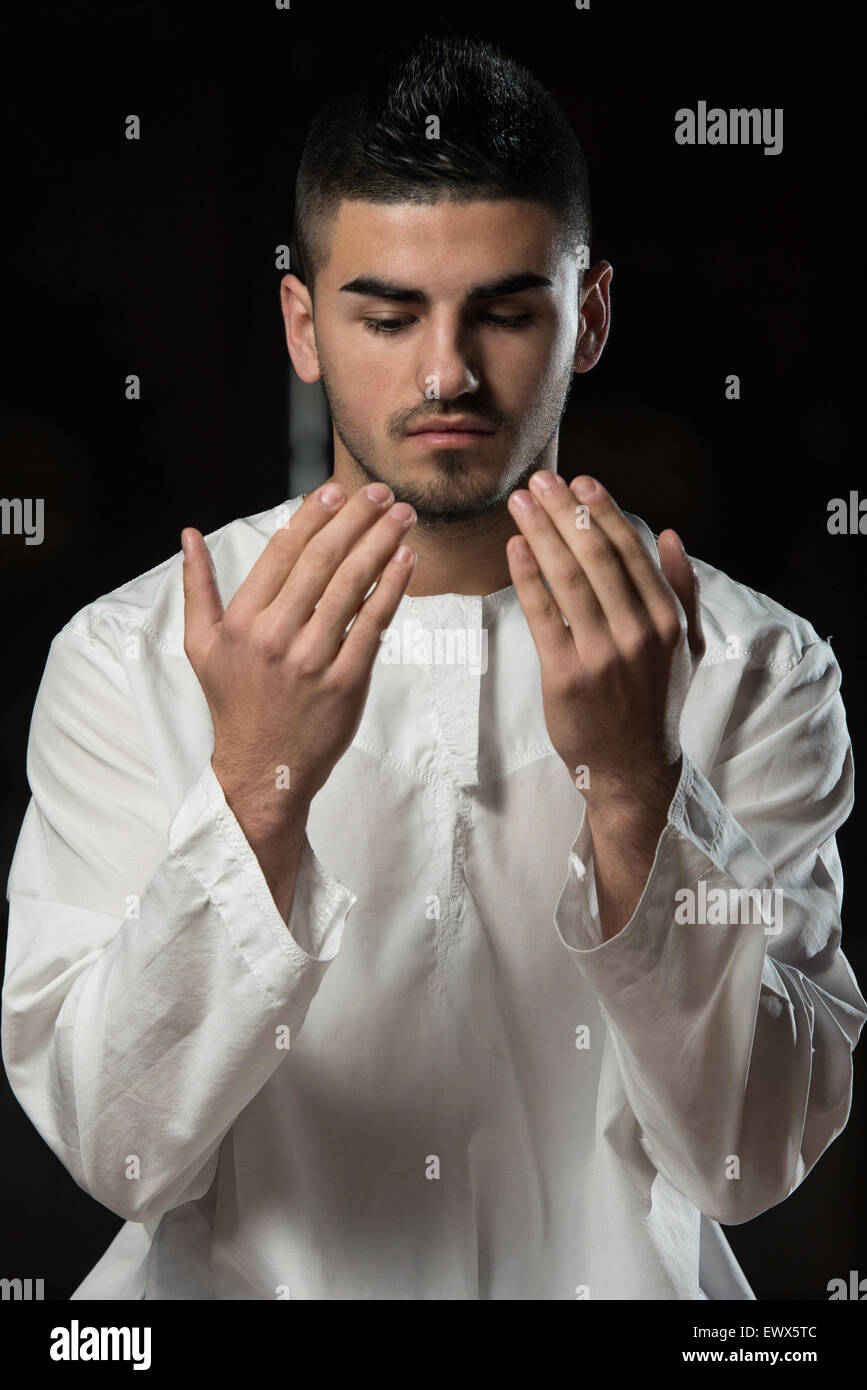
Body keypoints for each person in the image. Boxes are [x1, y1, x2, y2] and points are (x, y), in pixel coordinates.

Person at [3, 35, 864, 1301]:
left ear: (593, 319)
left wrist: (639, 789)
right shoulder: (130, 655)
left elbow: (750, 1159)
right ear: (303, 324)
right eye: (388, 313)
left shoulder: (754, 667)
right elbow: (114, 1148)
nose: (447, 371)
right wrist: (253, 784)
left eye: (507, 312)